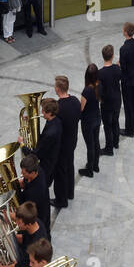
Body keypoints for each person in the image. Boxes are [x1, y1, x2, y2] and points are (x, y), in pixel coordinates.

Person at [0, 201, 48, 267]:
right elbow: (25, 238)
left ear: (28, 225)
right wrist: (7, 216)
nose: (16, 223)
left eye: (18, 223)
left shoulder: (34, 248)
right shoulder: (35, 221)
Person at [52, 77, 81, 209]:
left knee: (60, 172)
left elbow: (55, 129)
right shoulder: (75, 101)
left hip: (62, 144)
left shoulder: (58, 107)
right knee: (70, 165)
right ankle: (70, 193)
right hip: (73, 140)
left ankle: (61, 200)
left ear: (58, 89)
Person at [16, 153, 51, 234]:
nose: (21, 174)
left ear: (32, 173)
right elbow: (26, 183)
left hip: (36, 219)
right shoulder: (38, 169)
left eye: (24, 173)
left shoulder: (36, 192)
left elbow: (26, 211)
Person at [97, 45, 122, 156]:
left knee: (107, 125)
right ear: (112, 56)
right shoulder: (117, 68)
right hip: (117, 99)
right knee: (115, 121)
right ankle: (116, 143)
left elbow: (100, 90)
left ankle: (109, 148)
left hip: (107, 102)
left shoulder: (100, 73)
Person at [119, 22, 134, 136]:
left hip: (127, 80)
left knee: (128, 104)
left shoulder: (123, 48)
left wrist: (119, 65)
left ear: (125, 32)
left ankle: (129, 130)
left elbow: (123, 67)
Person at [78, 64, 101, 177]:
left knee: (90, 145)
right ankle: (96, 165)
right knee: (96, 142)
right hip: (97, 117)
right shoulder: (99, 85)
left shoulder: (86, 91)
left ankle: (90, 169)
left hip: (88, 121)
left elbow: (81, 109)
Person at [36, 98, 63, 193]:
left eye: (43, 110)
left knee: (42, 187)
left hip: (47, 164)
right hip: (52, 157)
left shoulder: (50, 133)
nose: (42, 112)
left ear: (49, 113)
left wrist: (23, 146)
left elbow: (38, 154)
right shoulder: (56, 121)